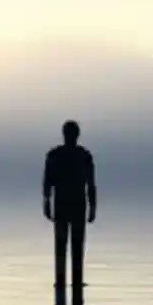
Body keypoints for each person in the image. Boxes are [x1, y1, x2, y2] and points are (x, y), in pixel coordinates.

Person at [43, 120, 97, 287]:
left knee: (66, 244)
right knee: (73, 244)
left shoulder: (58, 155)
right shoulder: (82, 155)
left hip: (68, 205)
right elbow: (48, 181)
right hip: (73, 205)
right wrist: (93, 205)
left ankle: (66, 281)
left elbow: (48, 182)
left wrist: (46, 202)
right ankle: (71, 281)